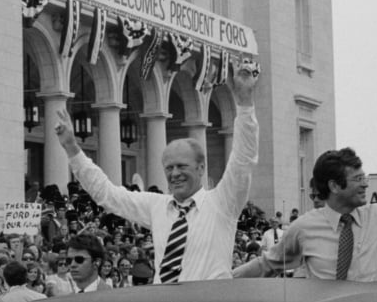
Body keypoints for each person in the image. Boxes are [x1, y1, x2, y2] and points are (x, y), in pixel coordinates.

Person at [53, 62, 258, 283]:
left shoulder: (222, 203)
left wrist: (245, 102)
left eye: (182, 166)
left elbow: (242, 160)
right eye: (169, 168)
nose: (175, 174)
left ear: (201, 168)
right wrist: (72, 148)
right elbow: (107, 194)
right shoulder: (157, 206)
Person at [235, 147, 377, 281]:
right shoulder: (303, 228)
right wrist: (217, 283)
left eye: (364, 178)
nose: (365, 185)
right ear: (335, 186)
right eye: (358, 179)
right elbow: (267, 264)